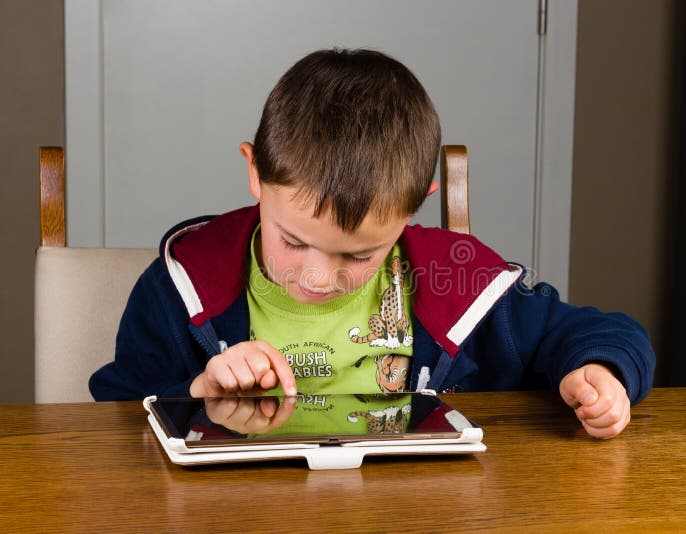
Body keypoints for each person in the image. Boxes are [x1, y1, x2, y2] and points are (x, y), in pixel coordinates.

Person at [90, 48, 655, 439]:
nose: (316, 277)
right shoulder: (181, 284)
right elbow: (114, 409)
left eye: (358, 256)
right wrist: (194, 393)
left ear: (414, 207)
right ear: (255, 173)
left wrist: (599, 371)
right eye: (293, 242)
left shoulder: (453, 282)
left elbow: (600, 332)